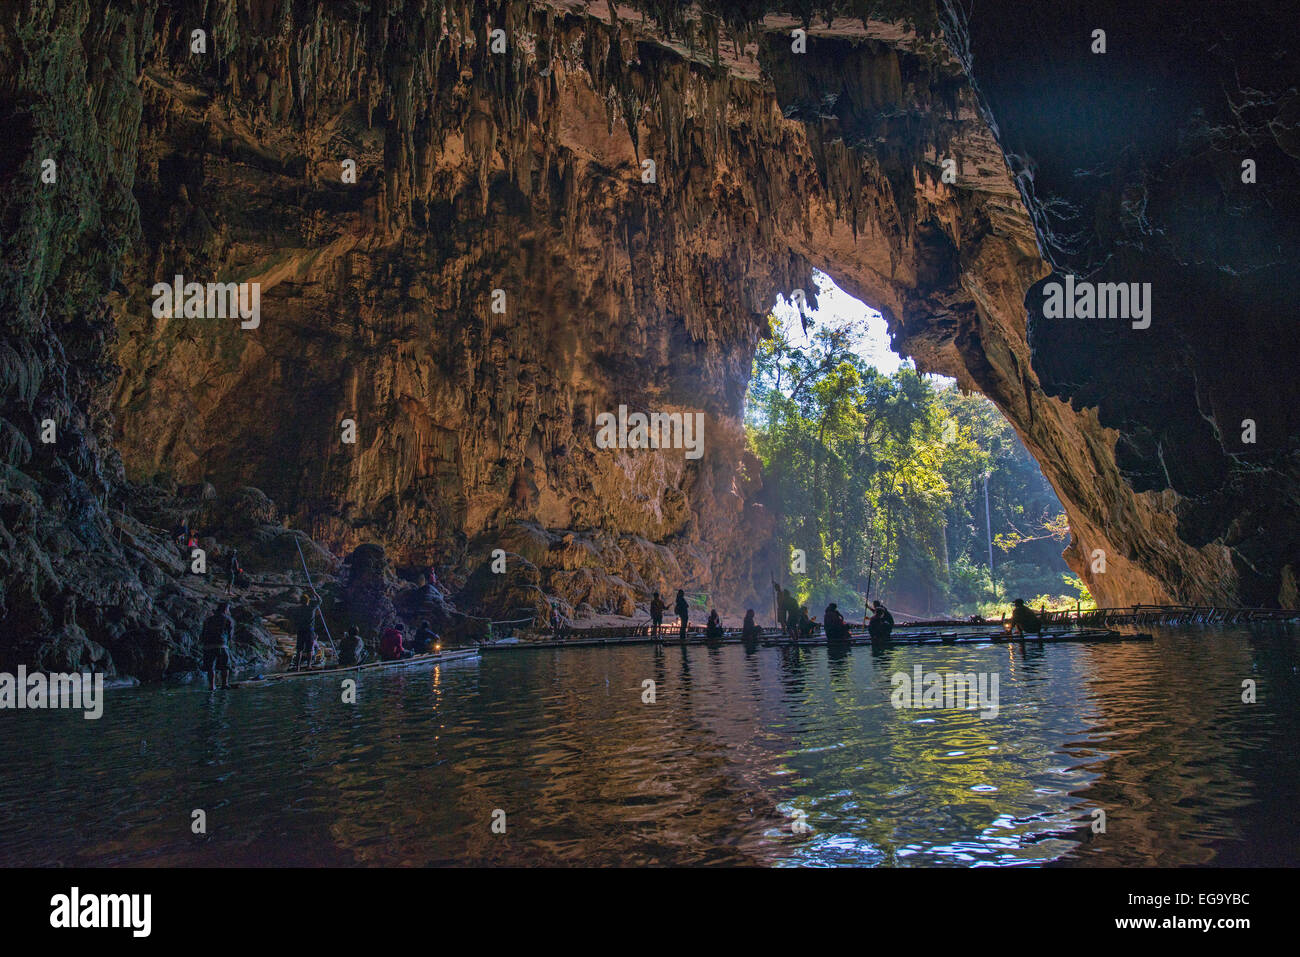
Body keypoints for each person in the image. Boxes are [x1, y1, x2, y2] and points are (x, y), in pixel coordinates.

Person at [200, 601, 235, 690]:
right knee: (225, 666)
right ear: (226, 609)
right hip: (221, 645)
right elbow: (230, 634)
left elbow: (203, 633)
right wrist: (228, 642)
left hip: (208, 646)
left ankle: (212, 686)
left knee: (210, 667)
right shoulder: (228, 619)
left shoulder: (208, 620)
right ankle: (225, 684)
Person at [293, 591, 323, 669]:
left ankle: (297, 666)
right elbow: (320, 600)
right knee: (309, 649)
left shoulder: (297, 609)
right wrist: (314, 592)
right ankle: (308, 665)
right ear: (308, 601)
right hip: (309, 630)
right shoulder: (311, 608)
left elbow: (295, 619)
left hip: (300, 630)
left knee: (299, 649)